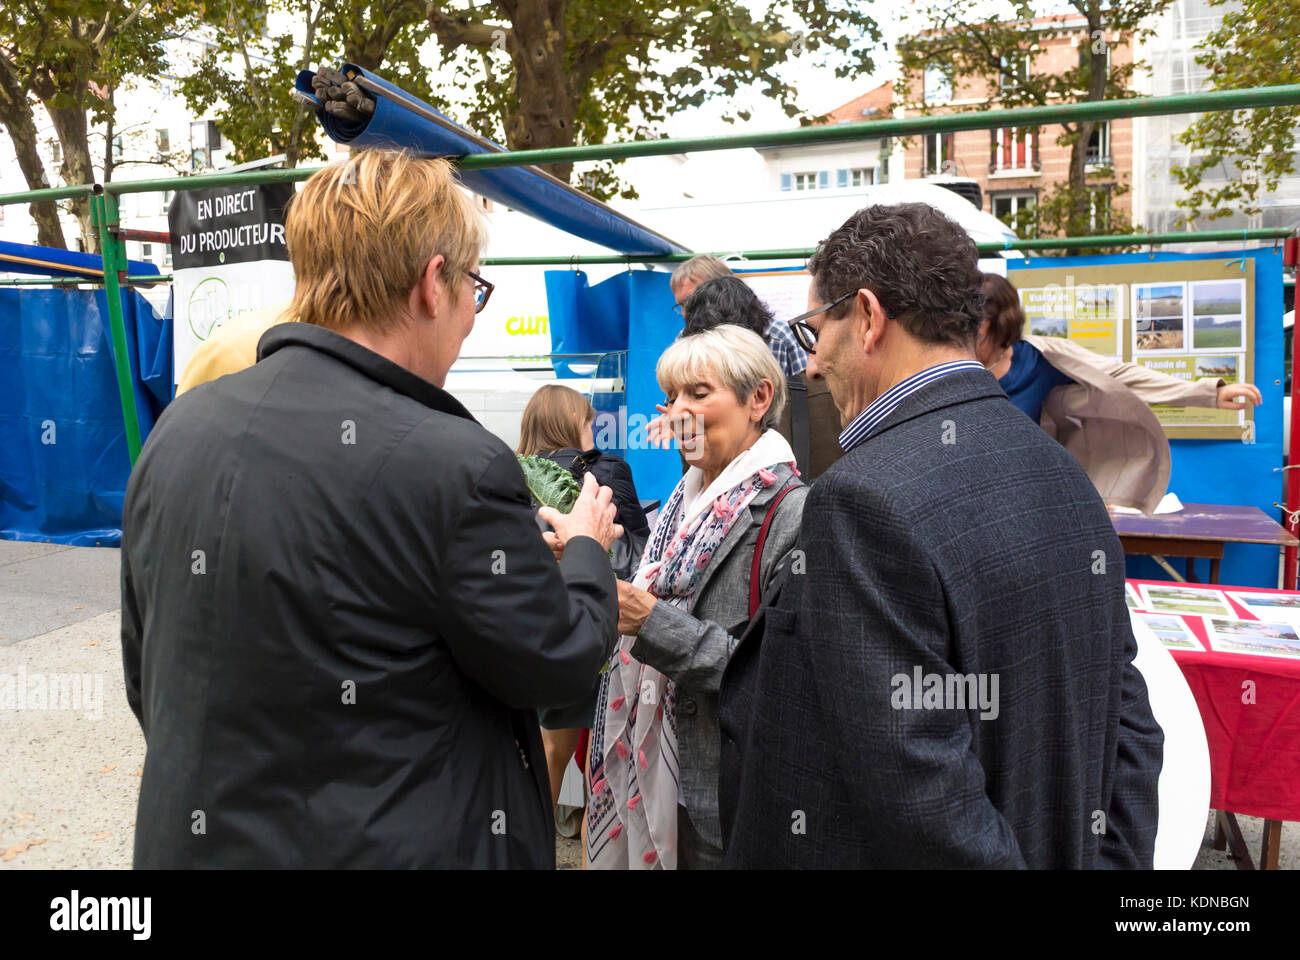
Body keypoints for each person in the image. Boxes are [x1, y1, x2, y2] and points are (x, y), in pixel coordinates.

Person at [120, 149, 622, 868]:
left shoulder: (180, 426)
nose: (472, 319)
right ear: (431, 284)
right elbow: (557, 666)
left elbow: (152, 675)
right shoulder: (454, 463)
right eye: (474, 290)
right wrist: (585, 553)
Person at [718, 203, 1164, 868]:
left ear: (866, 317)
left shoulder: (861, 500)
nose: (812, 366)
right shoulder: (1067, 474)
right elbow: (1129, 719)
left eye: (816, 332)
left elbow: (924, 807)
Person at [586, 325, 807, 869]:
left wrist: (651, 621)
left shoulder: (794, 513)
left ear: (759, 398)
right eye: (670, 398)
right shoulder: (681, 507)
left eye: (699, 394)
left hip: (728, 793)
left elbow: (782, 674)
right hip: (661, 778)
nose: (677, 413)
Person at [977, 272, 1263, 513]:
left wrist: (1207, 393)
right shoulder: (951, 366)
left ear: (1001, 325)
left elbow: (1122, 377)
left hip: (1024, 501)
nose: (967, 333)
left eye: (977, 326)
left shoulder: (1039, 360)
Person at [517, 383, 650, 808]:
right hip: (603, 625)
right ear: (569, 422)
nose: (594, 425)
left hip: (541, 632)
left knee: (551, 753)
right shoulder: (606, 470)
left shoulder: (511, 474)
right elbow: (640, 551)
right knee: (605, 764)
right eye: (587, 418)